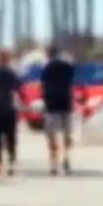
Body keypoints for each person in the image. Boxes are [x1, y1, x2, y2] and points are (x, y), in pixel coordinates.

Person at [39, 45, 76, 175]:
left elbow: (42, 84)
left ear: (48, 54)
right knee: (66, 133)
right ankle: (65, 158)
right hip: (66, 103)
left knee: (52, 135)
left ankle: (53, 164)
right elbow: (72, 78)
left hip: (51, 105)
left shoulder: (47, 68)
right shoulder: (67, 67)